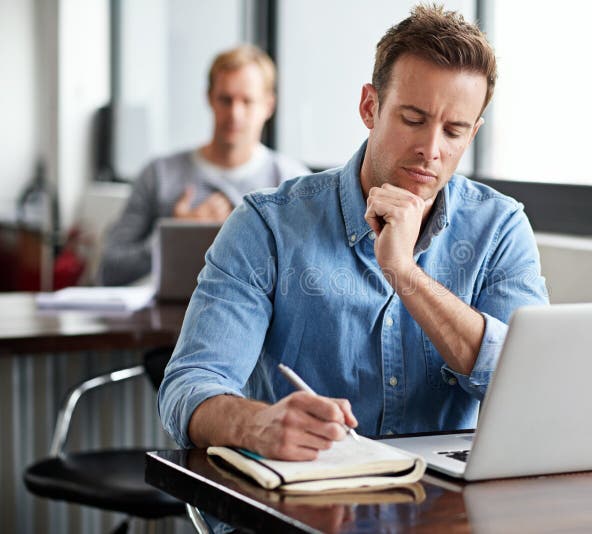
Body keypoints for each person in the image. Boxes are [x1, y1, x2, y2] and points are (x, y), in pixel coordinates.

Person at [159, 5, 549, 461]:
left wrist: (404, 273)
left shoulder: (499, 229)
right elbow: (188, 388)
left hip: (443, 509)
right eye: (413, 119)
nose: (431, 150)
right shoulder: (266, 226)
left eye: (454, 131)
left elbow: (531, 387)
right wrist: (257, 424)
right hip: (301, 501)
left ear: (473, 132)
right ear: (370, 106)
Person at [96, 44, 310, 286]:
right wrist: (173, 236)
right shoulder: (159, 174)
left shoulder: (291, 182)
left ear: (268, 106)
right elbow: (109, 270)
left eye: (247, 101)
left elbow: (310, 273)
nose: (235, 114)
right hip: (164, 320)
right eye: (225, 100)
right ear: (209, 98)